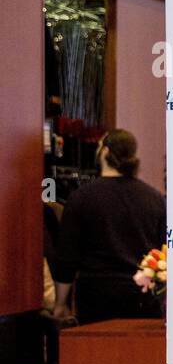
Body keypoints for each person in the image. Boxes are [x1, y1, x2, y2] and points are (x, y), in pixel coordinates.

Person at [51, 129, 165, 325]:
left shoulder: (81, 198)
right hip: (142, 294)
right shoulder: (154, 198)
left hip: (96, 297)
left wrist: (60, 303)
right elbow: (163, 249)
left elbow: (67, 257)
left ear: (104, 152)